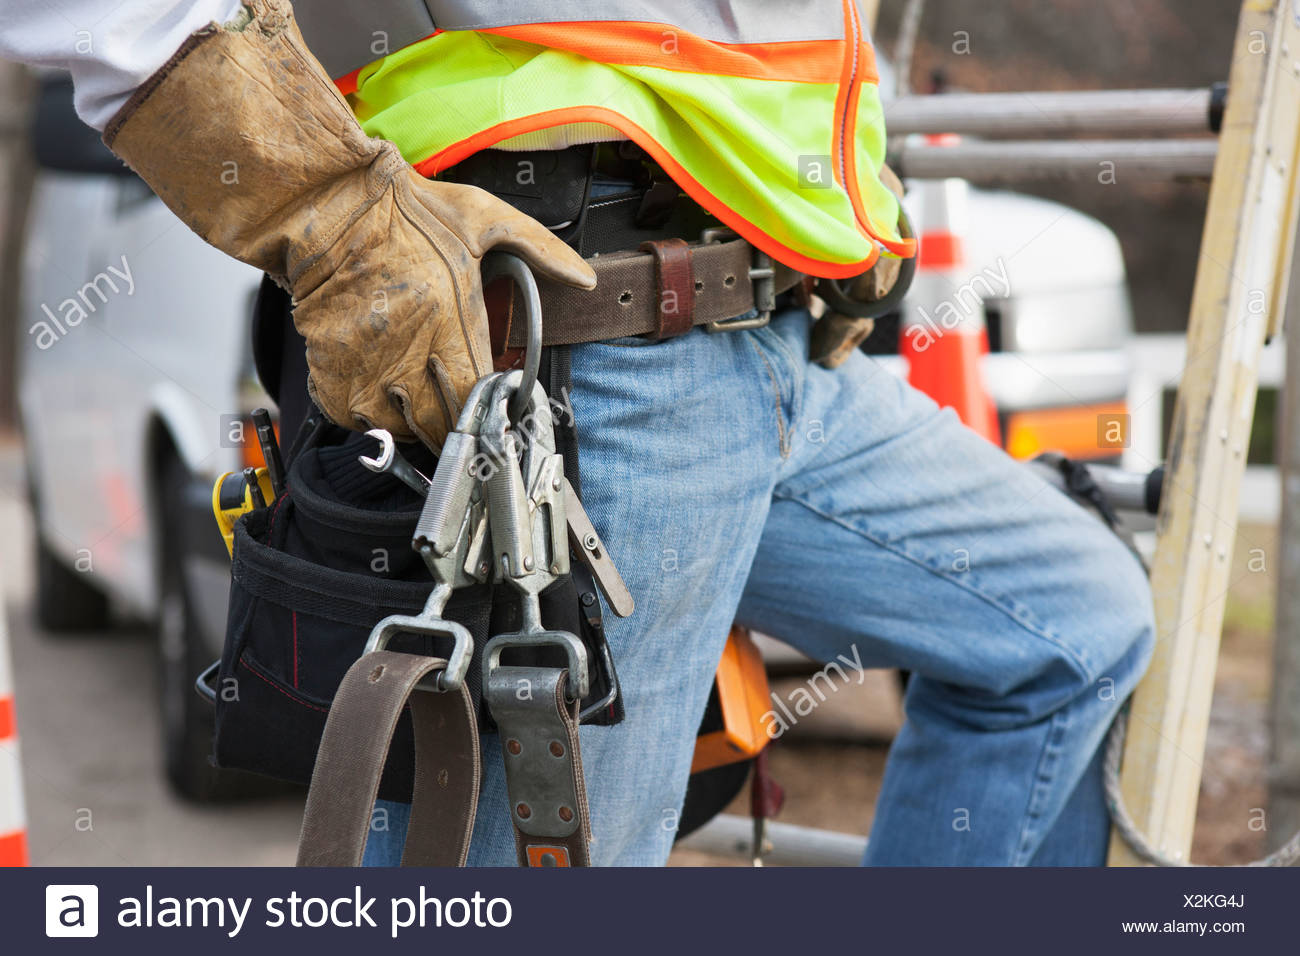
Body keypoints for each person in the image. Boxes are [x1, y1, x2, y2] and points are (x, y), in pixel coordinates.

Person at [0, 0, 1154, 865]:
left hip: (774, 337)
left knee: (1068, 629)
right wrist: (327, 214)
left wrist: (840, 194)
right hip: (564, 362)